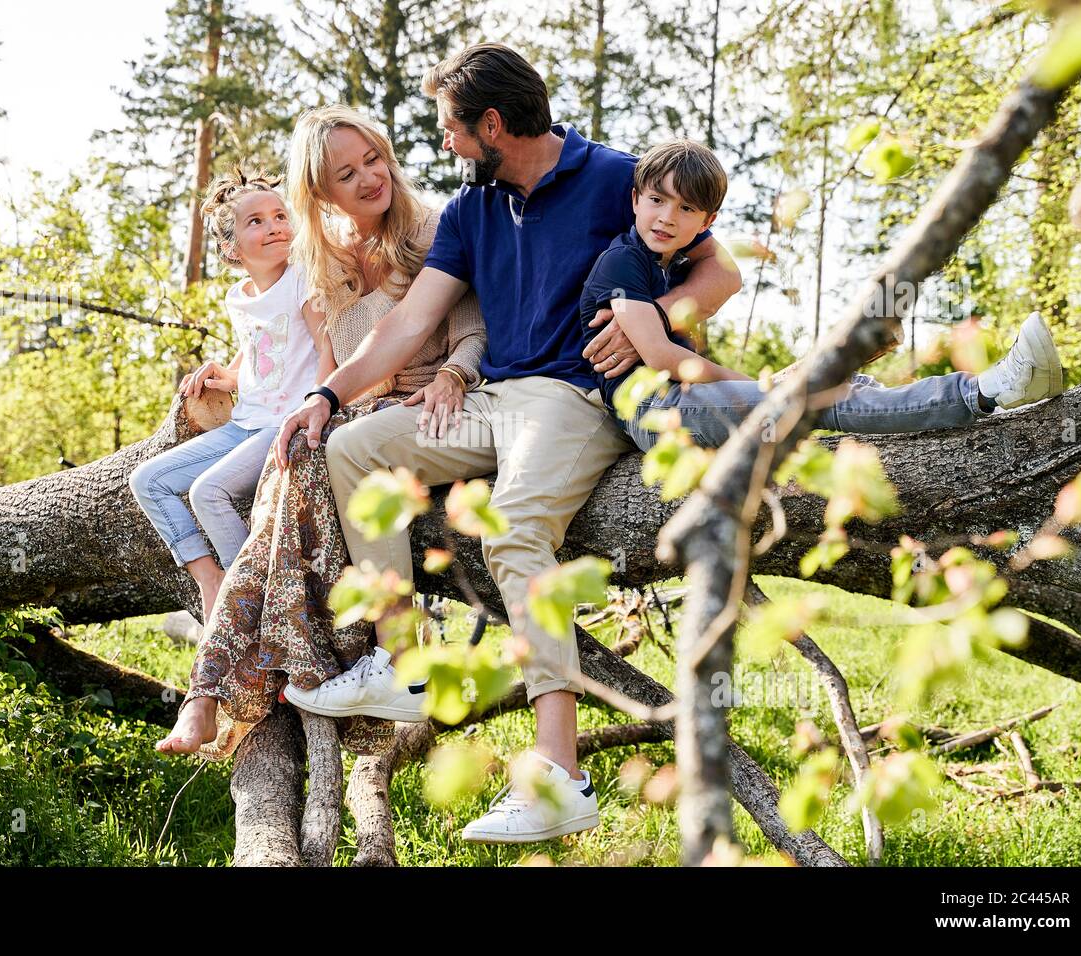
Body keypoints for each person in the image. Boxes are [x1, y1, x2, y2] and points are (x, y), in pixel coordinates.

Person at [272, 43, 743, 843]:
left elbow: (720, 275)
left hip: (575, 398)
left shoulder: (616, 180)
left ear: (493, 125)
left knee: (518, 524)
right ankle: (403, 667)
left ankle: (560, 778)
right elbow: (408, 325)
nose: (447, 146)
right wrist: (326, 395)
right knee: (355, 450)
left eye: (454, 130)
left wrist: (654, 321)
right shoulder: (470, 208)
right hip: (493, 399)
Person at [155, 105, 487, 757]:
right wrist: (248, 380)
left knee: (306, 462)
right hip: (368, 411)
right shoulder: (320, 261)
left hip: (438, 404)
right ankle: (285, 672)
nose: (371, 178)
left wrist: (453, 373)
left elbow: (473, 329)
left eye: (375, 160)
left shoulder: (431, 229)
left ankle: (218, 685)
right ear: (319, 190)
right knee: (290, 466)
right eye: (347, 172)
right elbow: (319, 362)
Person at [579, 138, 1066, 453]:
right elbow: (663, 356)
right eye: (657, 200)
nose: (667, 217)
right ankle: (985, 393)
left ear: (707, 224)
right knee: (810, 397)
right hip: (652, 414)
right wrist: (760, 385)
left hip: (682, 400)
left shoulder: (676, 266)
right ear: (636, 199)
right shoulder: (623, 261)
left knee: (854, 389)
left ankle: (967, 399)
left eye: (686, 208)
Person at [129, 168, 328, 624]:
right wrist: (226, 373)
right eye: (256, 221)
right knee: (149, 481)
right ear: (231, 249)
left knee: (208, 492)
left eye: (280, 215)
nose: (275, 225)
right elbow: (260, 352)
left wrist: (320, 403)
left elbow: (326, 348)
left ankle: (258, 600)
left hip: (284, 424)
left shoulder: (301, 280)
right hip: (245, 423)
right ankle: (211, 580)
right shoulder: (238, 297)